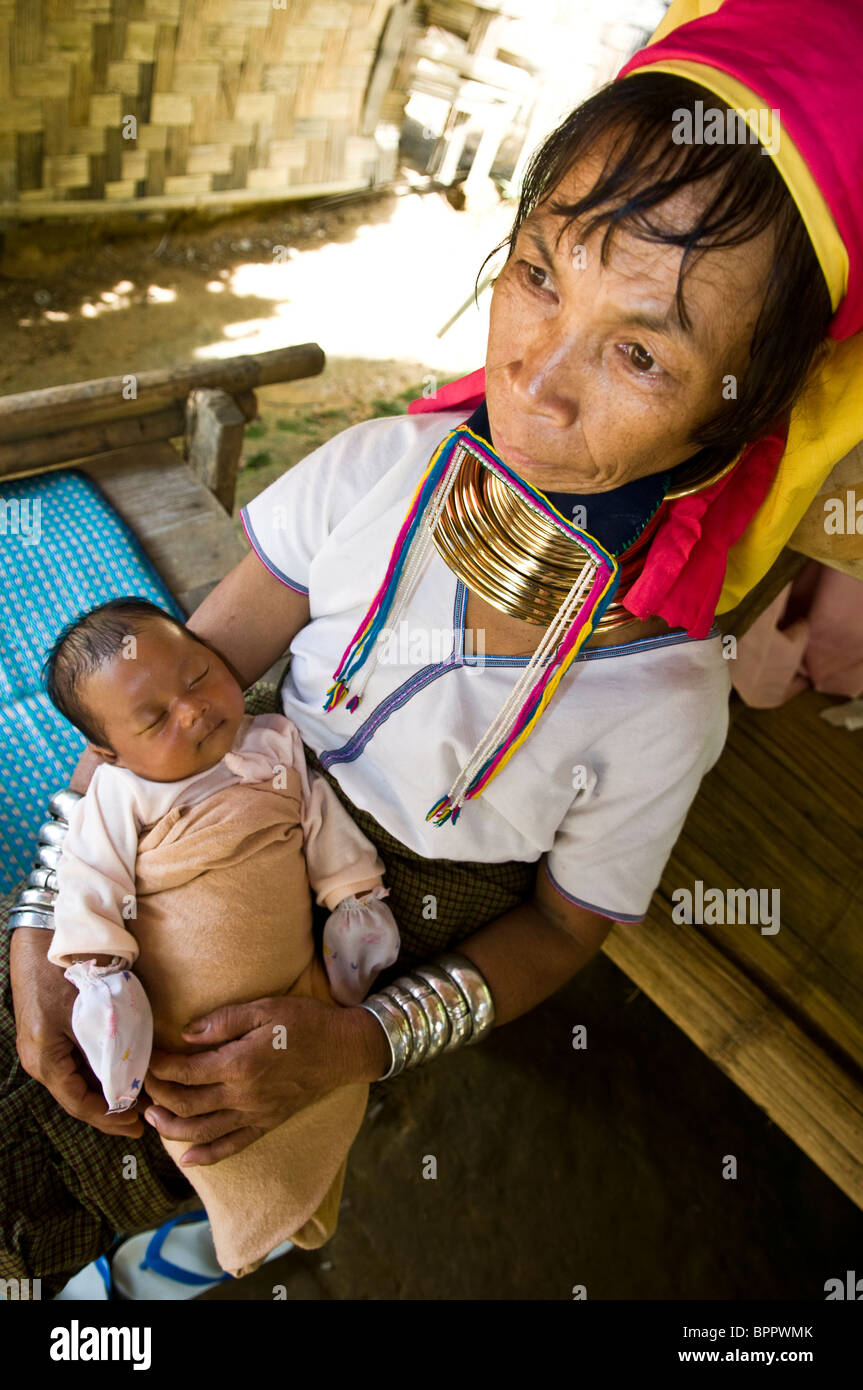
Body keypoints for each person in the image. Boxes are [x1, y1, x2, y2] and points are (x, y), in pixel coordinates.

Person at [5, 0, 863, 1296]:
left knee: (219, 1152)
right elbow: (184, 690)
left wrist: (354, 1044)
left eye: (636, 349)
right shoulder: (374, 468)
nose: (535, 375)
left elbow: (562, 932)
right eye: (534, 275)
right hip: (218, 823)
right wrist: (38, 920)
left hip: (401, 942)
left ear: (749, 412)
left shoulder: (660, 698)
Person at [39, 596, 399, 1276]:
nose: (194, 709)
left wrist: (350, 890)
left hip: (287, 972)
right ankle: (245, 1205)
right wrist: (99, 965)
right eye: (154, 718)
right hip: (185, 997)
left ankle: (292, 1193)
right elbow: (87, 878)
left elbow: (316, 820)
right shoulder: (119, 794)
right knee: (199, 1093)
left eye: (199, 674)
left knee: (306, 1044)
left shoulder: (273, 744)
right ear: (109, 751)